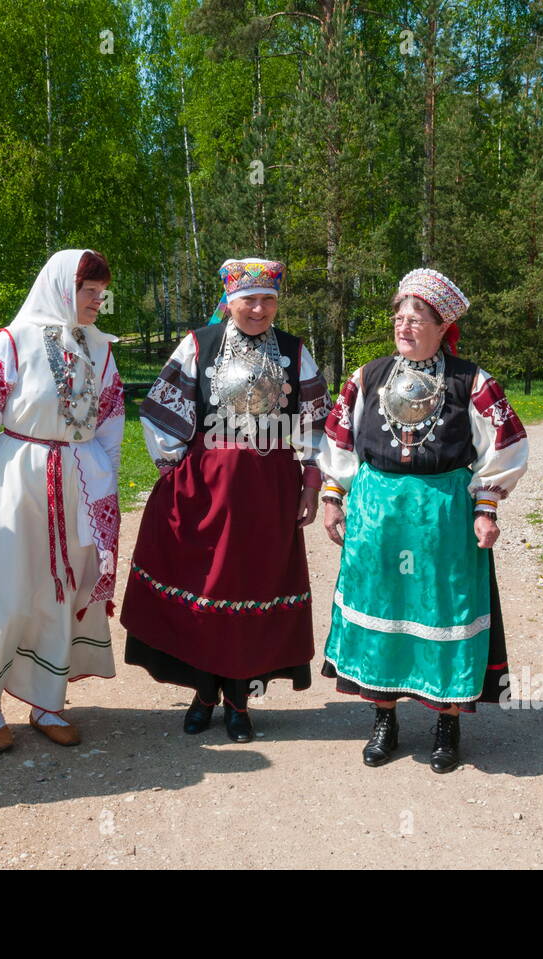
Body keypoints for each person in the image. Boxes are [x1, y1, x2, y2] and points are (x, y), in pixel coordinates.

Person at [318, 269, 528, 772]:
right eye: (399, 316)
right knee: (384, 610)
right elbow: (339, 440)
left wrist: (487, 505)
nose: (404, 325)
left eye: (417, 318)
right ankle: (384, 720)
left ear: (442, 327)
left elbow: (507, 445)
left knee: (445, 613)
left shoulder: (471, 381)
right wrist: (332, 495)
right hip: (378, 517)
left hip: (443, 519)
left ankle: (446, 725)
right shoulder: (366, 376)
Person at [121, 257, 330, 742]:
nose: (258, 309)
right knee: (206, 585)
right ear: (229, 301)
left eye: (268, 299)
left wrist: (312, 481)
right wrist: (175, 470)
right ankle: (203, 693)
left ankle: (239, 702)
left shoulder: (296, 353)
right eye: (249, 299)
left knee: (250, 587)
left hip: (268, 491)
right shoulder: (199, 345)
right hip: (205, 487)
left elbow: (317, 424)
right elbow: (161, 412)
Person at [0, 249, 124, 753]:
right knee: (7, 592)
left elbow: (110, 423)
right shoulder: (12, 343)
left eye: (101, 294)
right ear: (63, 287)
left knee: (61, 590)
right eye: (89, 292)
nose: (96, 302)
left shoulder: (101, 348)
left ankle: (47, 701)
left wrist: (103, 489)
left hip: (79, 481)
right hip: (16, 479)